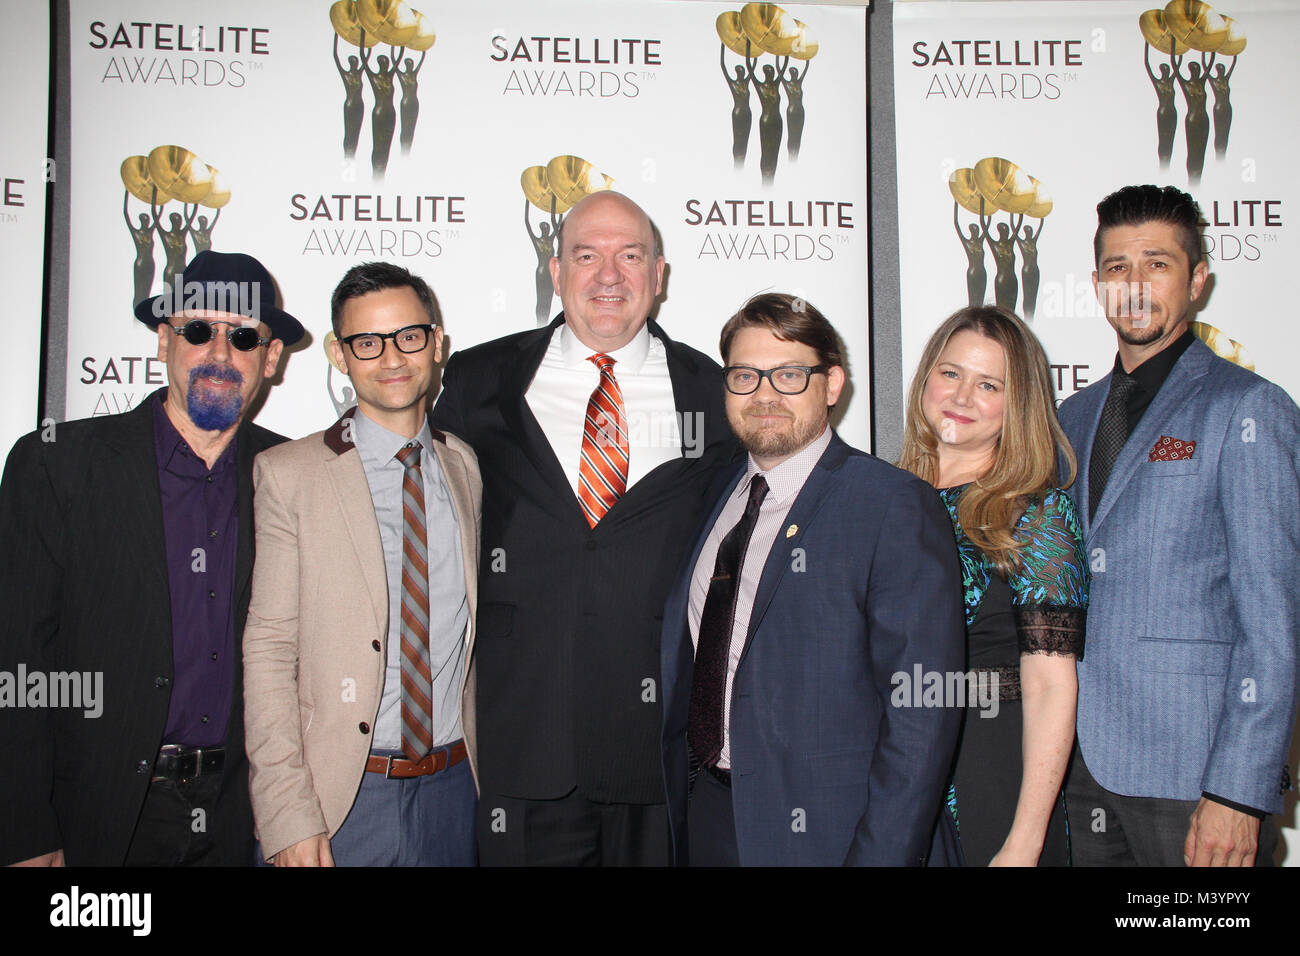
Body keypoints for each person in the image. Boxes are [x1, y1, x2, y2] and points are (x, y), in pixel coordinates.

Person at [430, 190, 738, 865]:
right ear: (555, 270)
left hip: (657, 754)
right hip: (521, 747)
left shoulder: (715, 394)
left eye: (630, 256)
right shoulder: (480, 379)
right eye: (586, 255)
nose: (608, 276)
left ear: (658, 276)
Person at [0, 250, 301, 866]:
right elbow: (16, 660)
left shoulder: (294, 474)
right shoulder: (58, 466)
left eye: (243, 336)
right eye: (198, 330)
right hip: (95, 814)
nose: (219, 354)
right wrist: (25, 831)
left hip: (238, 819)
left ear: (270, 359)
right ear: (165, 341)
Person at [661, 293, 966, 866]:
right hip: (710, 822)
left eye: (790, 374)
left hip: (834, 837)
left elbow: (922, 719)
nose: (765, 395)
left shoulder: (892, 505)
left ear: (832, 385)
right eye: (746, 375)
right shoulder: (710, 495)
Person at [1059, 184, 1300, 866]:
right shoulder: (1071, 418)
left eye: (1156, 263)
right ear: (1098, 284)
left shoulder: (1249, 408)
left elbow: (1275, 619)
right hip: (1076, 771)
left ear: (1197, 281)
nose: (1134, 285)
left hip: (1193, 778)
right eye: (1116, 267)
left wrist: (1239, 791)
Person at [243, 262, 480, 867]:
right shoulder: (289, 475)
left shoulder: (464, 468)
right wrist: (286, 813)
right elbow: (269, 650)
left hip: (456, 791)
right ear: (338, 354)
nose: (392, 357)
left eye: (409, 336)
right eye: (367, 342)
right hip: (341, 800)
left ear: (437, 343)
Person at [899, 306, 1087, 866]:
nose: (961, 395)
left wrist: (1024, 842)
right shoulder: (886, 497)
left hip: (988, 779)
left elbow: (1053, 687)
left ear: (1018, 406)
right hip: (898, 774)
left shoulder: (1037, 513)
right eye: (950, 373)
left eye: (989, 385)